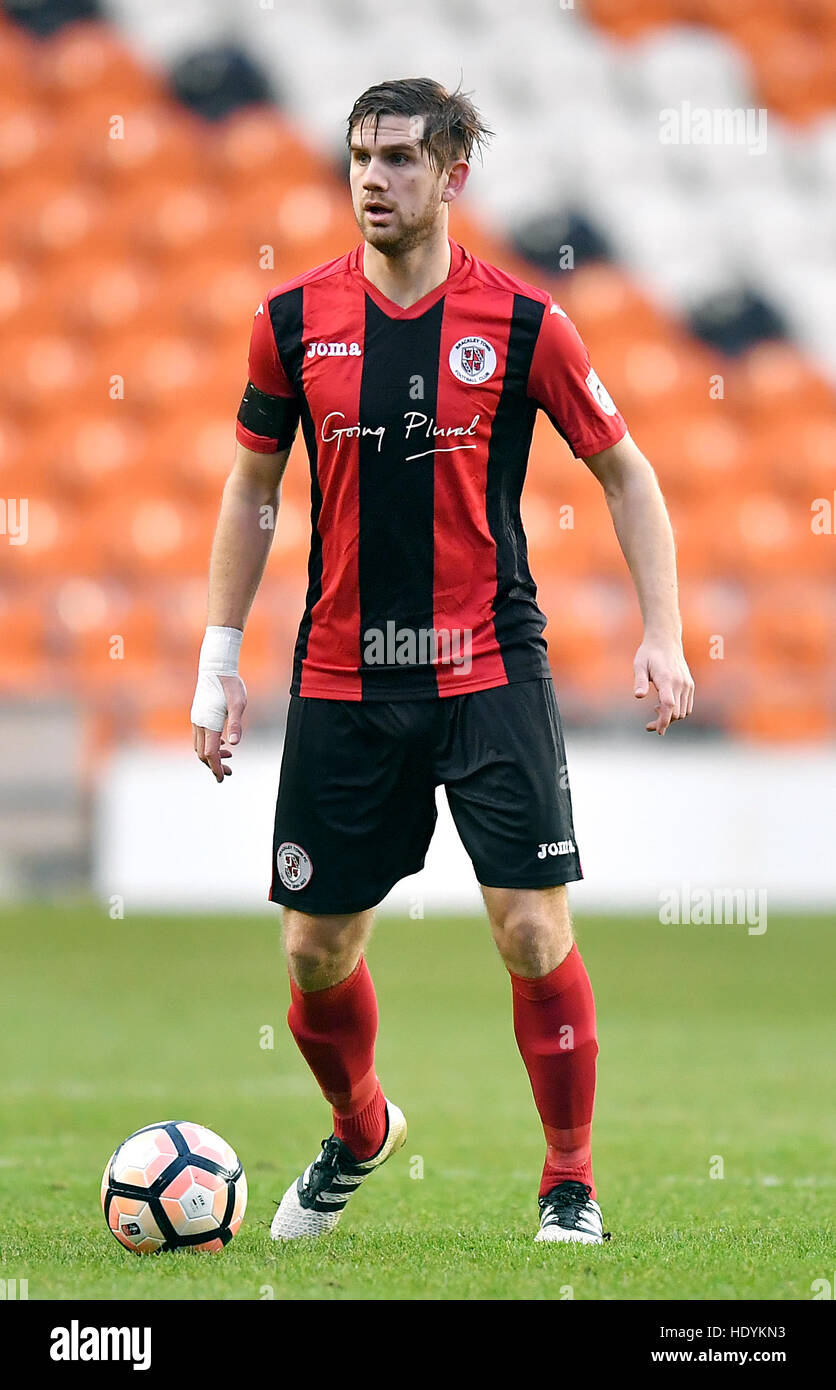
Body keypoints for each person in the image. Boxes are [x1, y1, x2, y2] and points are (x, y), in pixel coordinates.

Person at [190, 78, 694, 1245]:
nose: (373, 178)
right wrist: (218, 659)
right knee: (315, 953)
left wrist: (659, 632)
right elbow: (252, 485)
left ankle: (566, 1181)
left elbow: (628, 472)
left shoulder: (524, 325)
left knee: (529, 927)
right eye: (360, 157)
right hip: (340, 673)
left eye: (402, 159)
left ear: (453, 173)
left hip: (486, 669)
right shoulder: (291, 322)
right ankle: (361, 1127)